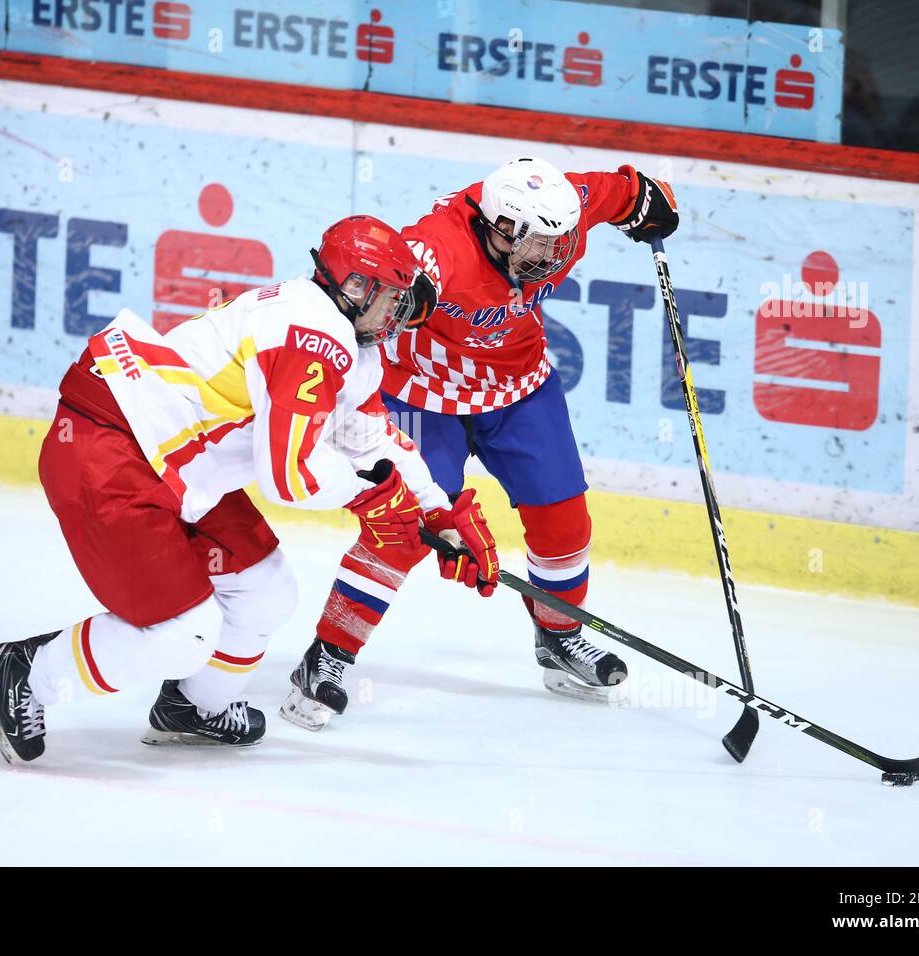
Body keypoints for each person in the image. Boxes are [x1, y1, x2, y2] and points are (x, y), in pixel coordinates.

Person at [0, 215, 499, 764]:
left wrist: (437, 510)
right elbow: (289, 476)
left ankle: (193, 708)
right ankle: (25, 672)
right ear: (356, 287)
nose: (399, 312)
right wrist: (371, 498)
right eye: (391, 295)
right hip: (113, 449)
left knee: (267, 591)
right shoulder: (314, 336)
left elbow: (370, 438)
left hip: (173, 459)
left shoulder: (347, 340)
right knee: (184, 634)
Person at [290, 156, 678, 722]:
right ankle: (328, 654)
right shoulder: (433, 253)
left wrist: (650, 202)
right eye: (535, 246)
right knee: (402, 528)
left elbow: (630, 193)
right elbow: (362, 308)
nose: (548, 258)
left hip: (519, 388)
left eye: (558, 243)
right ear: (498, 228)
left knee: (565, 518)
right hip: (421, 396)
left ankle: (560, 635)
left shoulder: (561, 214)